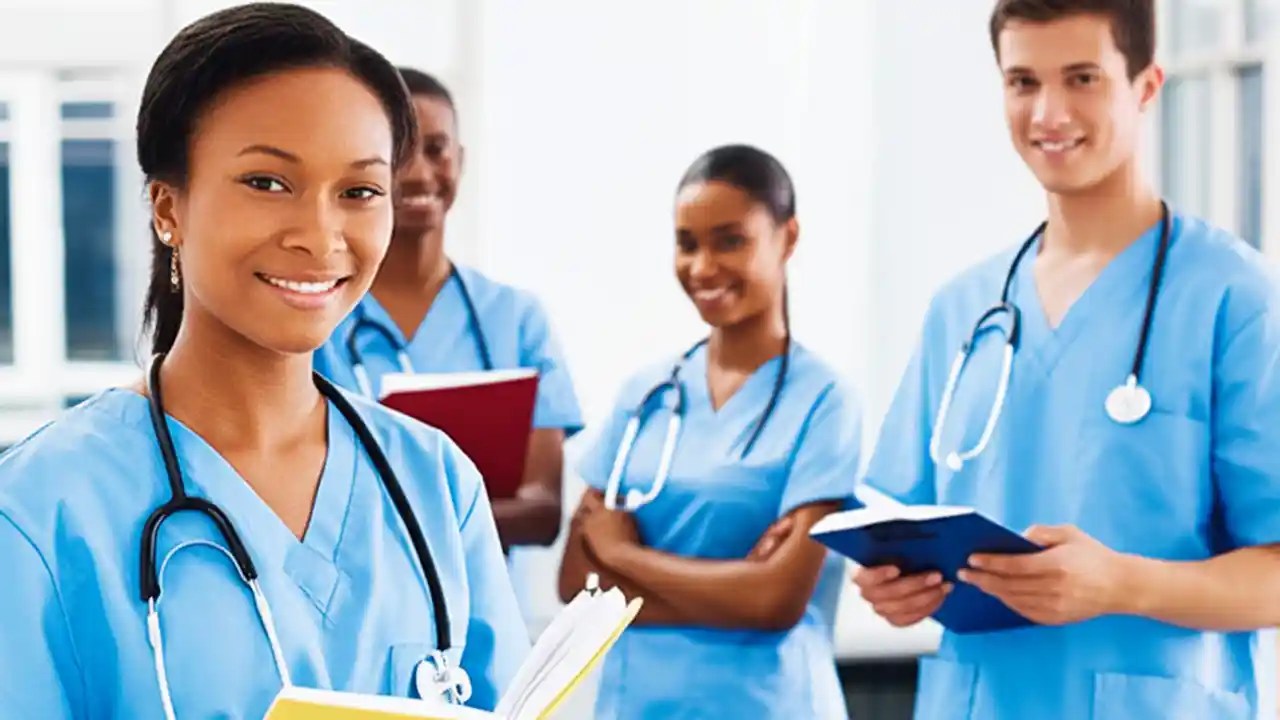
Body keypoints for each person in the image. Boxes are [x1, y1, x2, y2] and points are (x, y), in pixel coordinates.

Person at [0, 5, 528, 718]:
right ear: (167, 208)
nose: (320, 235)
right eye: (267, 183)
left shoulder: (433, 484)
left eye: (360, 192)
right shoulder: (38, 507)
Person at [852, 1, 1280, 718]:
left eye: (1081, 78)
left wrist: (1120, 584)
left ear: (1146, 86)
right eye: (1023, 82)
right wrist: (894, 590)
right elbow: (905, 525)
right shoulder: (964, 309)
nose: (1049, 112)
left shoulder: (1232, 297)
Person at [557, 144, 862, 720]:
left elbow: (776, 600)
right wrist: (734, 589)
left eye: (730, 240)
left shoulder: (825, 402)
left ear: (787, 238)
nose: (702, 267)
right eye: (687, 243)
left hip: (770, 704)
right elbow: (577, 583)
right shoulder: (646, 396)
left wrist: (625, 555)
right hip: (639, 704)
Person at [313, 68, 583, 552]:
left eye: (437, 149)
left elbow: (542, 511)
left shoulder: (516, 319)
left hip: (483, 618)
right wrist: (472, 508)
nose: (419, 172)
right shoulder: (315, 312)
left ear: (460, 160)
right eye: (399, 153)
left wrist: (388, 517)